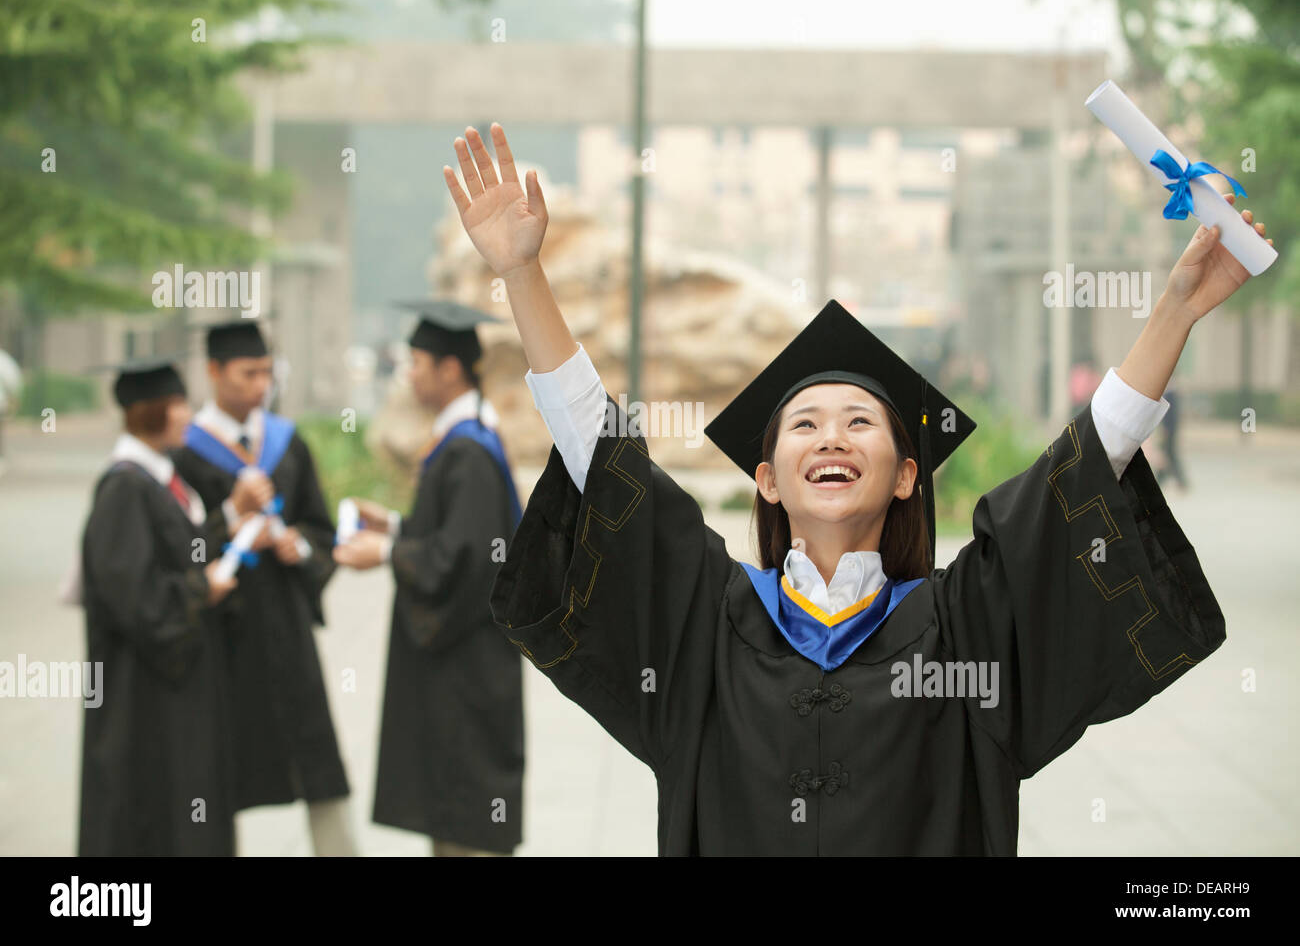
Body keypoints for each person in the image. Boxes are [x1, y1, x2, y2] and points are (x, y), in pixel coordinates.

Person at [446, 123, 1269, 856]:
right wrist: (523, 277)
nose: (832, 436)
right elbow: (605, 462)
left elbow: (1077, 481)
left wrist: (1176, 310)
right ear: (766, 482)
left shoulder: (964, 640)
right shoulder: (703, 633)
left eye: (860, 423)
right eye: (804, 425)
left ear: (908, 474)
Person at [334, 301, 525, 857]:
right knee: (454, 811)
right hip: (466, 669)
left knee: (465, 819)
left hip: (466, 672)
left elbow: (465, 561)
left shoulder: (467, 450)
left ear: (449, 369)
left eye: (416, 361)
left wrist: (389, 551)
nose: (408, 373)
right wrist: (395, 525)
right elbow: (461, 536)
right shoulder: (466, 439)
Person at [172, 322, 355, 856]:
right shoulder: (185, 454)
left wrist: (299, 546)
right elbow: (176, 547)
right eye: (247, 373)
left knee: (317, 758)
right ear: (212, 372)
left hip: (285, 627)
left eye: (266, 373)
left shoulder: (284, 442)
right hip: (220, 633)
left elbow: (321, 530)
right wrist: (231, 515)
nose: (260, 385)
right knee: (219, 765)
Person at [78, 360, 237, 856]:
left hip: (175, 684)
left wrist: (229, 521)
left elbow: (178, 549)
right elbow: (134, 595)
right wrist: (200, 590)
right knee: (148, 807)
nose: (188, 415)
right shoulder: (124, 488)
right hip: (140, 693)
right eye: (179, 405)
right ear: (153, 413)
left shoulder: (159, 478)